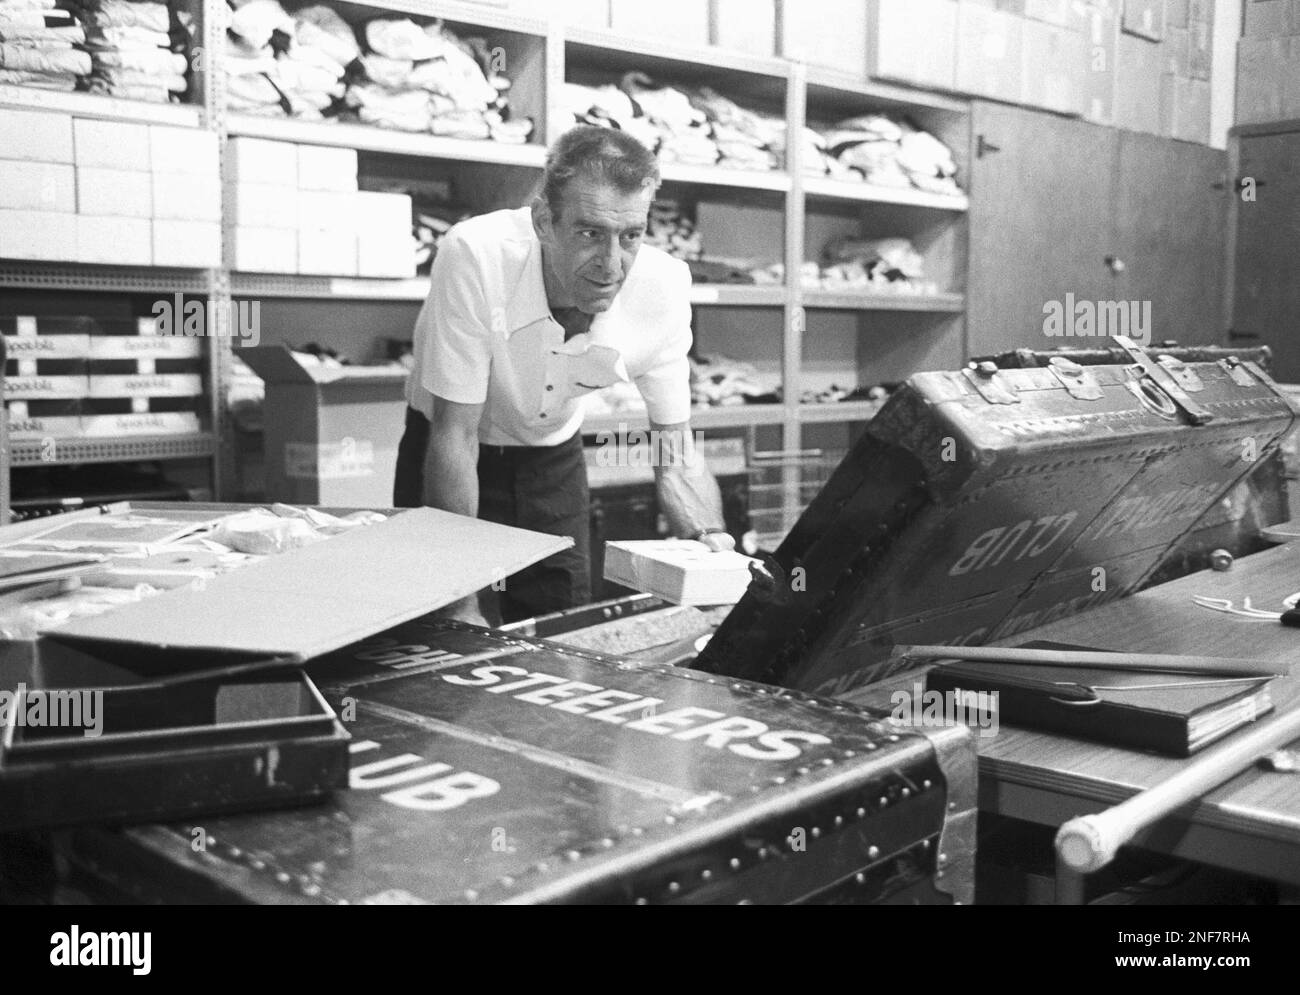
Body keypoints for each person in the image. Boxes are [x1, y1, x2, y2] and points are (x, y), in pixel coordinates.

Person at [395, 125, 733, 625]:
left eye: (630, 236)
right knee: (435, 629)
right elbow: (456, 434)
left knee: (558, 630)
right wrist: (461, 603)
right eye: (590, 233)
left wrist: (713, 551)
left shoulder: (663, 287)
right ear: (543, 221)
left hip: (552, 458)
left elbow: (673, 452)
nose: (611, 265)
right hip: (448, 446)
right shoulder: (475, 255)